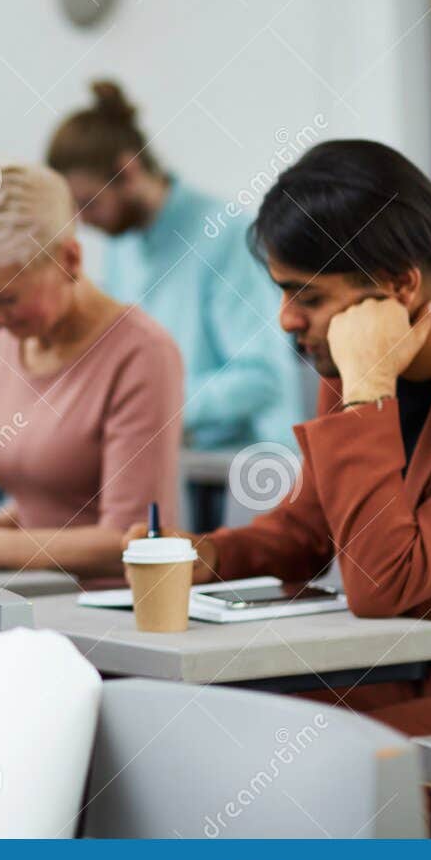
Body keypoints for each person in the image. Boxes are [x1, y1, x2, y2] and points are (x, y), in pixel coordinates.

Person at [134, 140, 431, 735]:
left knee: (281, 747)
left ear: (400, 287)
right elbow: (311, 529)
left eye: (308, 296)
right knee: (193, 718)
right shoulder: (358, 363)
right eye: (282, 291)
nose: (286, 318)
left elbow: (387, 584)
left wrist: (366, 394)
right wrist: (202, 556)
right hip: (415, 668)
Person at [0, 163, 182, 584]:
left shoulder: (143, 354)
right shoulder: (8, 344)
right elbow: (52, 506)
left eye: (6, 298)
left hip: (110, 612)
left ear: (70, 259)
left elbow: (131, 539)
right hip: (34, 598)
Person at [48, 81, 304, 528]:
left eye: (89, 203)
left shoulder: (225, 235)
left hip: (247, 478)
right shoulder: (123, 246)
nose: (84, 222)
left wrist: (151, 404)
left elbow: (262, 379)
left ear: (127, 171)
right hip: (178, 464)